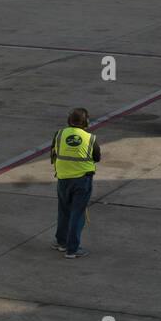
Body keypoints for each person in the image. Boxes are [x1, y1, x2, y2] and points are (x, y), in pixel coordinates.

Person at [50, 107, 100, 259]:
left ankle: (61, 242)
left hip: (63, 179)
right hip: (82, 181)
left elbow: (53, 152)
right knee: (77, 215)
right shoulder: (90, 138)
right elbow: (97, 157)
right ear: (86, 122)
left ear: (69, 120)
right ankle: (72, 249)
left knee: (64, 211)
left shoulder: (59, 134)